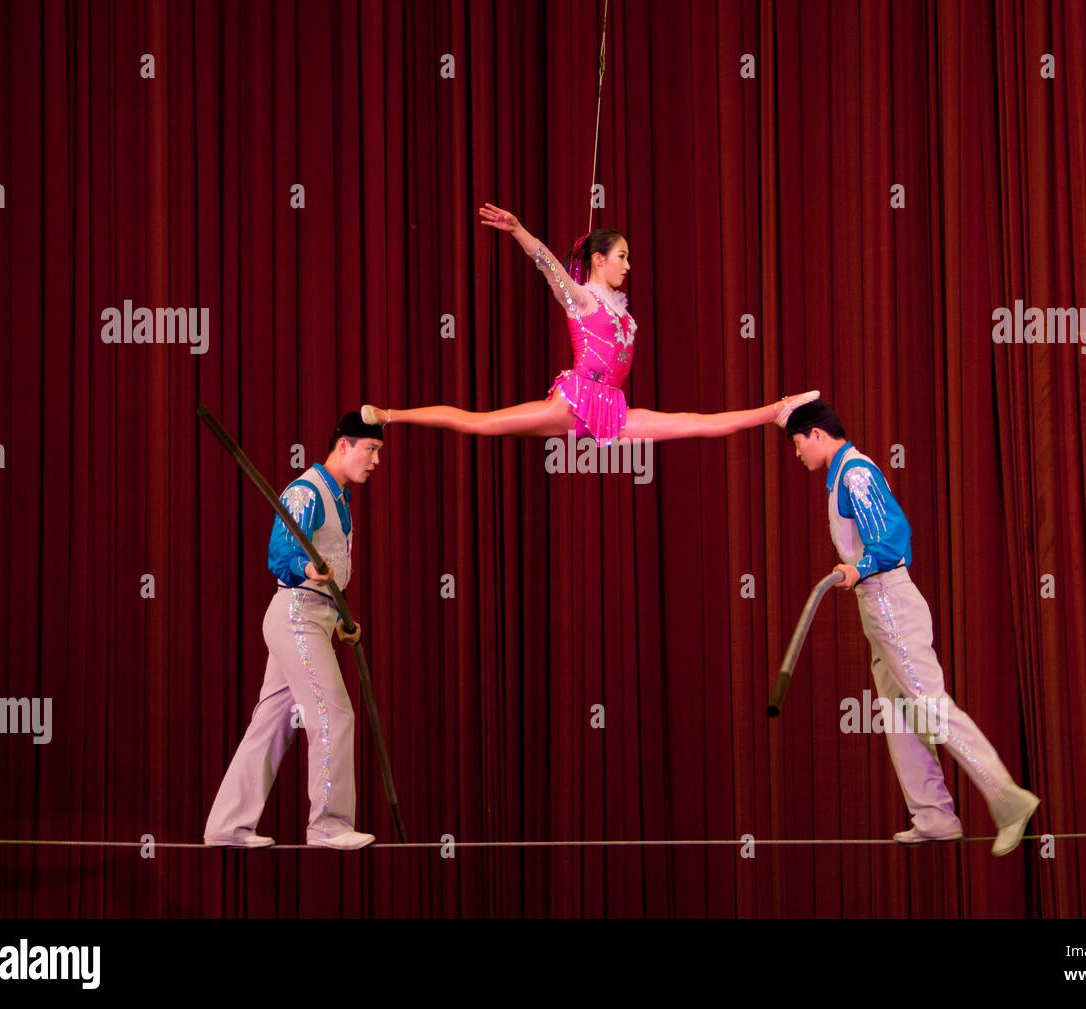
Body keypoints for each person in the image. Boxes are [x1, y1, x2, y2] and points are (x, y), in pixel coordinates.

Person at [785, 399, 1040, 856]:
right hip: (877, 608)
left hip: (889, 602)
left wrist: (857, 567)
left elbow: (892, 536)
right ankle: (934, 816)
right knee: (899, 713)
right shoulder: (842, 475)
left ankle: (1009, 800)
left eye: (798, 442)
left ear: (818, 434)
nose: (797, 452)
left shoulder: (855, 474)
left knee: (930, 705)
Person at [365, 204, 819, 442]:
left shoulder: (624, 314)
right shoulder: (583, 300)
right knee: (478, 423)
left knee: (692, 423)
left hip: (612, 411)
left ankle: (777, 409)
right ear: (599, 260)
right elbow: (547, 264)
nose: (628, 265)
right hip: (574, 402)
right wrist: (518, 228)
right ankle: (390, 415)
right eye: (621, 256)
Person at [204, 411, 385, 850]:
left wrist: (344, 622)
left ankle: (226, 825)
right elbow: (281, 550)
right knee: (334, 713)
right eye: (372, 449)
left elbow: (334, 576)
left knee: (271, 723)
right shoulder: (307, 489)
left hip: (315, 618)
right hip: (296, 615)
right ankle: (327, 824)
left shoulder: (340, 499)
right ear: (344, 444)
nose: (376, 460)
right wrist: (306, 567)